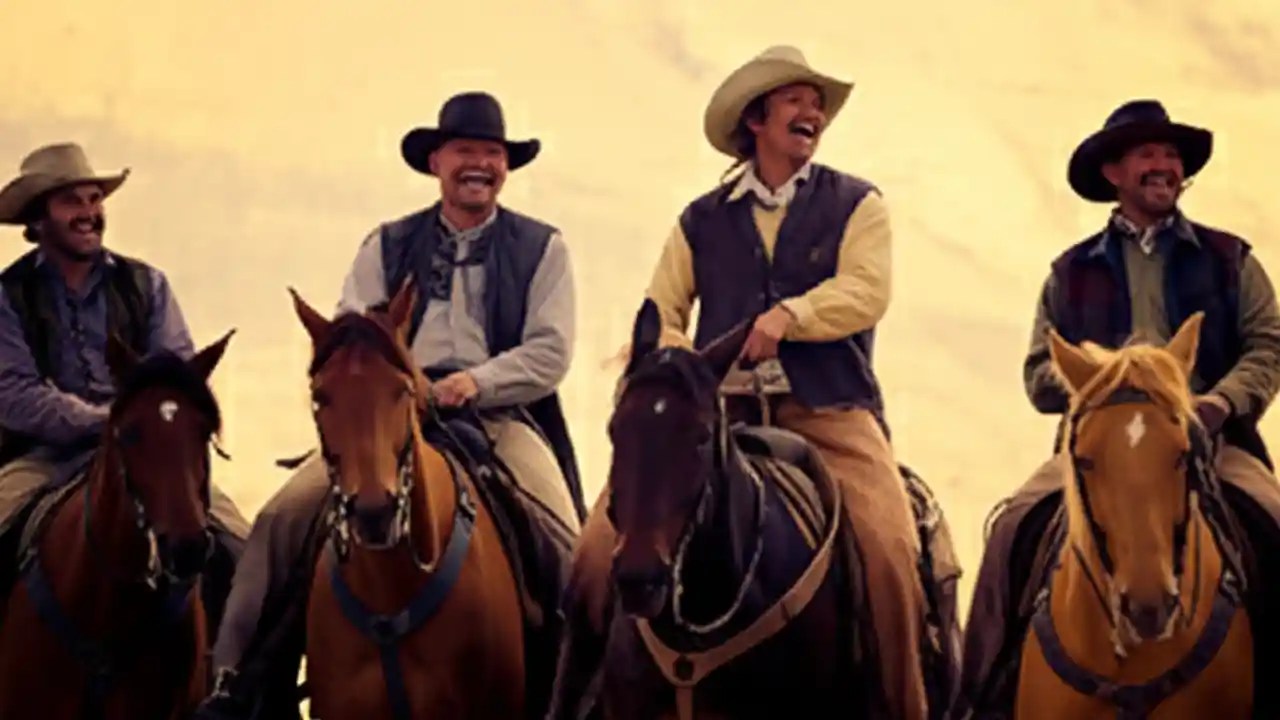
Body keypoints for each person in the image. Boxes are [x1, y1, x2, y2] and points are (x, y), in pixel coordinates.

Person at [557, 45, 948, 720]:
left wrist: (790, 316)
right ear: (756, 119)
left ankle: (902, 706)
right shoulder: (700, 219)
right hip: (718, 418)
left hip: (829, 415)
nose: (814, 112)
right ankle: (570, 704)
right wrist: (684, 373)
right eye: (796, 100)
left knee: (888, 552)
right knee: (595, 556)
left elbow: (866, 290)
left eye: (817, 103)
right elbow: (664, 311)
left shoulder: (859, 205)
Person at [196, 91, 585, 718]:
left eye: (492, 153)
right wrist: (402, 381)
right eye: (465, 151)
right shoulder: (386, 243)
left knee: (566, 540)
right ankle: (232, 681)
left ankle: (583, 693)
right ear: (437, 162)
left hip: (500, 417)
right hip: (386, 412)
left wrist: (473, 384)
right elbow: (352, 331)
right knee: (281, 520)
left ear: (506, 167)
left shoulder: (544, 248)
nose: (479, 165)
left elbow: (550, 352)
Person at [955, 99, 1280, 717]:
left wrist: (1217, 404)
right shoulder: (1068, 272)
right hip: (1099, 446)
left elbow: (1269, 344)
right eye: (1148, 154)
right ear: (1114, 173)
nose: (1164, 165)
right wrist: (1096, 386)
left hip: (1210, 438)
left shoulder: (1231, 258)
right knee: (1011, 528)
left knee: (1272, 518)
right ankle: (981, 698)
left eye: (1172, 155)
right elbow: (1037, 373)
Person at [0, 141, 249, 623]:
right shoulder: (7, 297)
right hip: (41, 457)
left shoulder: (146, 285)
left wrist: (143, 429)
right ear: (38, 218)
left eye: (95, 200)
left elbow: (178, 377)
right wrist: (107, 422)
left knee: (240, 547)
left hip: (150, 454)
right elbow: (14, 394)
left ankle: (239, 684)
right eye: (72, 202)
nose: (89, 213)